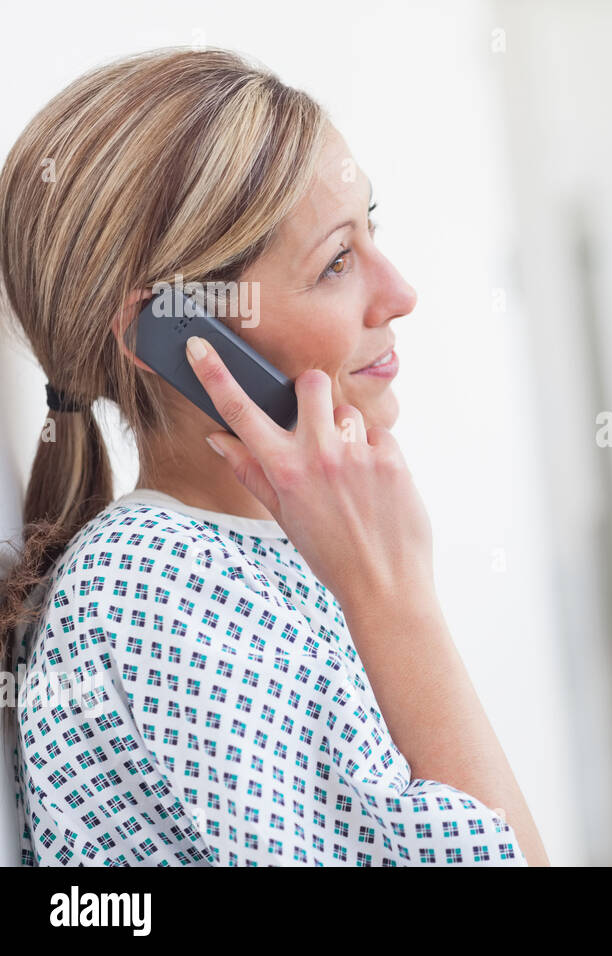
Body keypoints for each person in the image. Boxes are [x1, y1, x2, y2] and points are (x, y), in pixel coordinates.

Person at [0, 48, 547, 866]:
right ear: (174, 336)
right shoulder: (152, 584)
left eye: (374, 229)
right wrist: (395, 596)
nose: (398, 292)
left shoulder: (285, 556)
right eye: (335, 261)